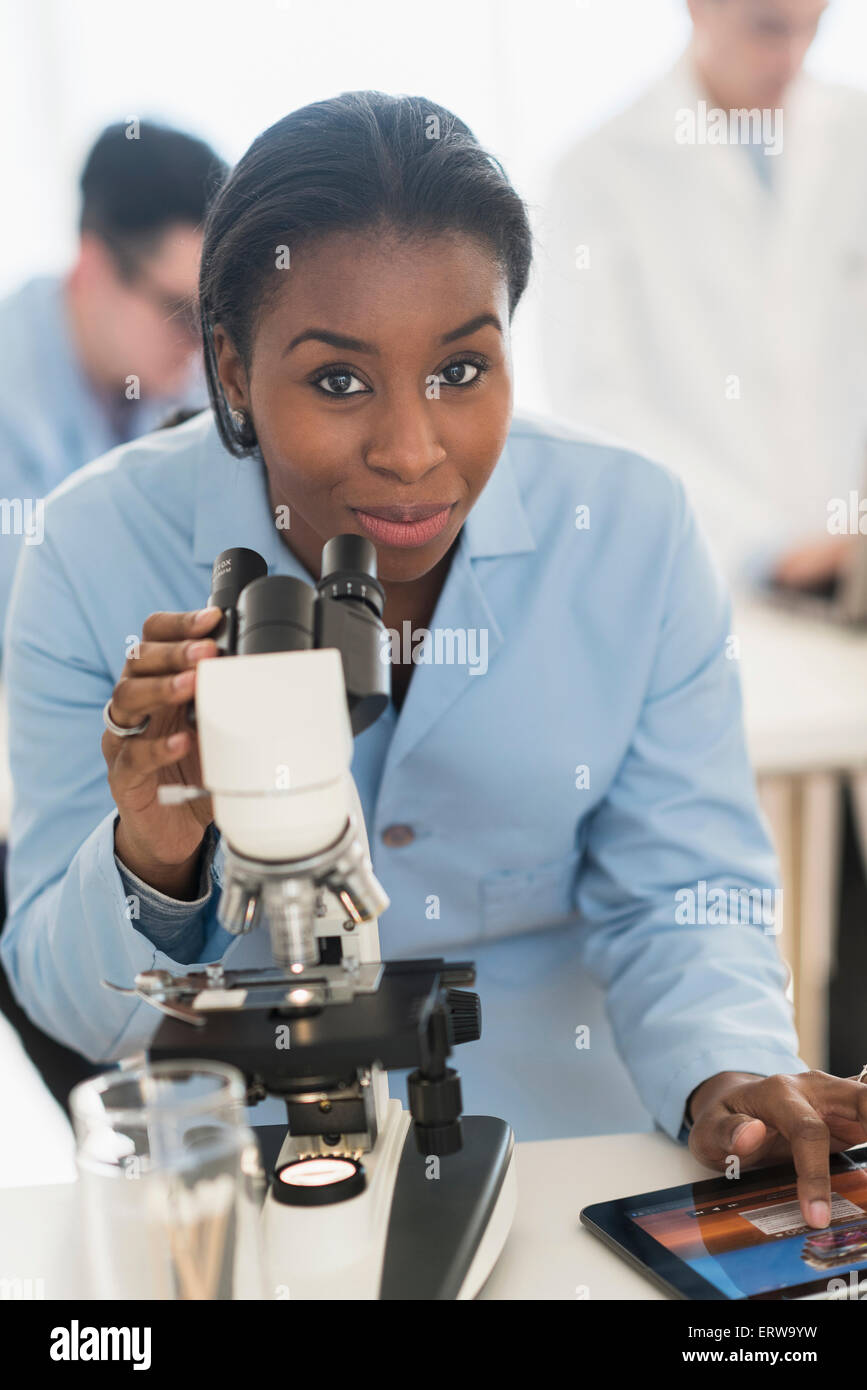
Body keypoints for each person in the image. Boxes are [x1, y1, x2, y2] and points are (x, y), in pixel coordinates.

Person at [3, 92, 866, 1229]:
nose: (413, 452)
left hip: (576, 1161)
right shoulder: (91, 551)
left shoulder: (632, 530)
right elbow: (73, 1010)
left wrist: (724, 1071)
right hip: (252, 1181)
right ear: (227, 366)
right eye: (339, 380)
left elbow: (681, 890)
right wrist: (154, 853)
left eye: (462, 370)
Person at [540, 0, 867, 585]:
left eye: (812, 29)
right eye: (769, 29)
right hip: (716, 574)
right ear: (699, 8)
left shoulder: (854, 136)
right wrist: (764, 550)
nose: (792, 59)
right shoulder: (598, 175)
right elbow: (597, 409)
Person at [0, 119, 227, 642]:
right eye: (180, 311)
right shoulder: (13, 397)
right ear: (92, 265)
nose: (202, 349)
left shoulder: (182, 378)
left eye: (214, 319)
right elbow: (49, 619)